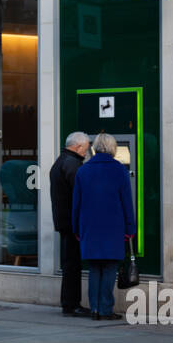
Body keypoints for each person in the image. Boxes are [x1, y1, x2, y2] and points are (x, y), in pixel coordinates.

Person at [72, 131, 135, 321]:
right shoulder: (119, 170)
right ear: (113, 148)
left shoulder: (83, 170)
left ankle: (94, 309)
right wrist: (130, 229)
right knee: (109, 268)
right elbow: (127, 203)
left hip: (89, 228)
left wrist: (76, 228)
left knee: (94, 269)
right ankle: (106, 309)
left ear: (95, 147)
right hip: (113, 228)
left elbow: (76, 203)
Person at [50, 132, 91, 317]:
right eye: (86, 147)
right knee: (72, 265)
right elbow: (81, 192)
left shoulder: (61, 161)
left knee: (70, 263)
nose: (87, 151)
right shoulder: (72, 164)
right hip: (71, 222)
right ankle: (71, 304)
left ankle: (69, 303)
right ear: (77, 147)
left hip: (64, 221)